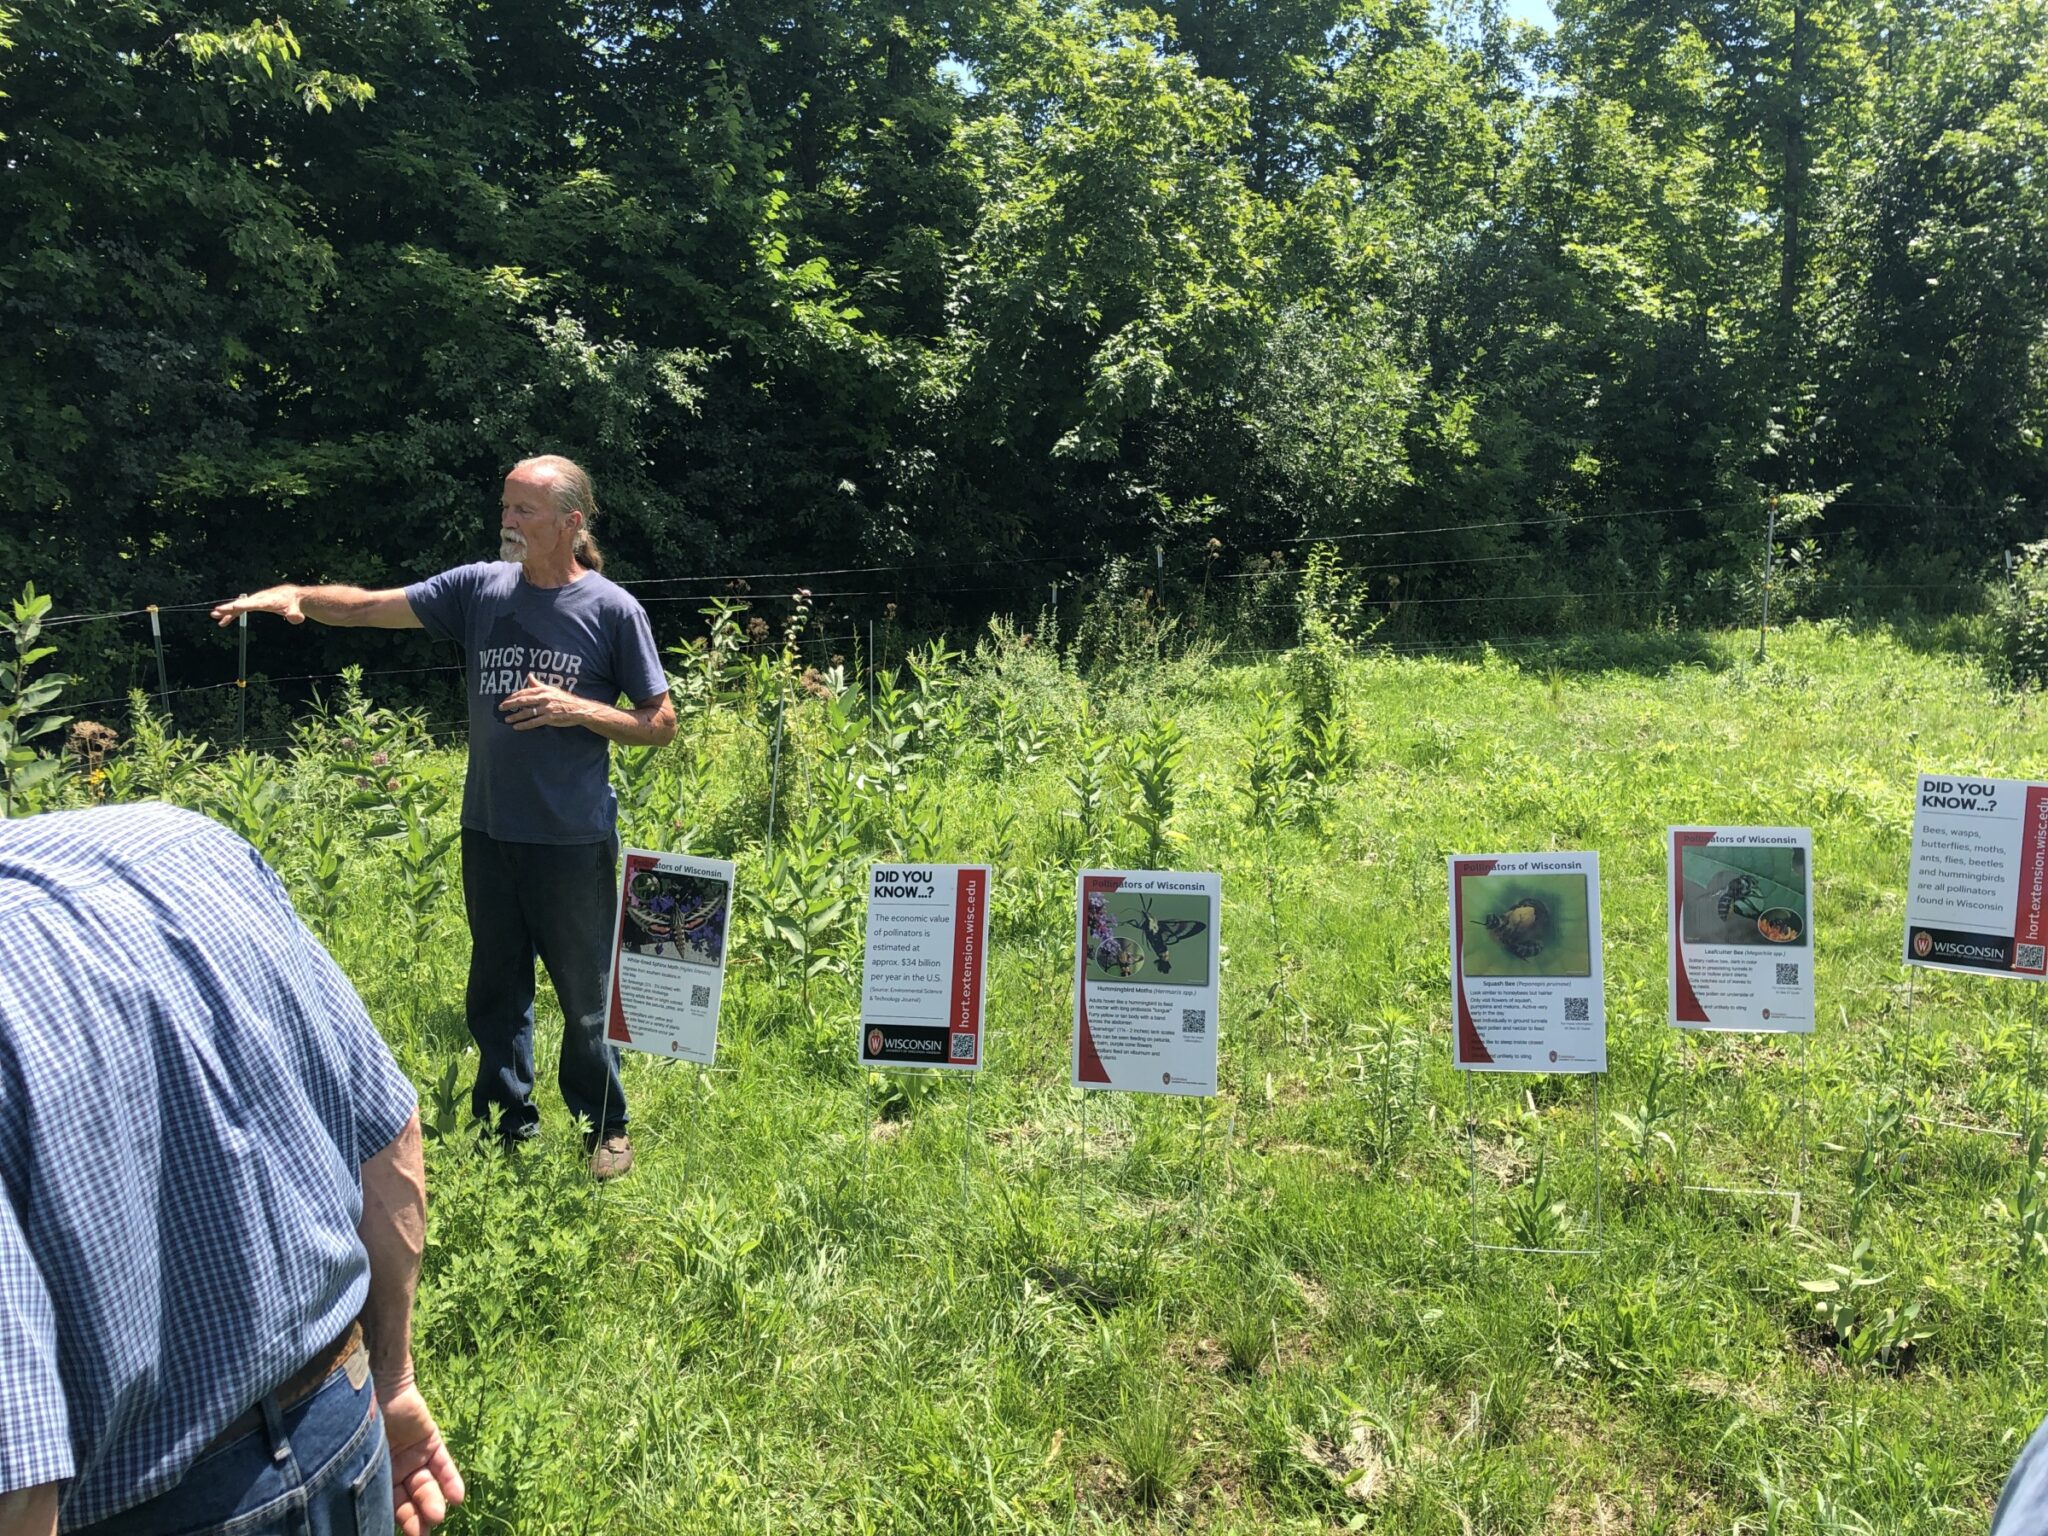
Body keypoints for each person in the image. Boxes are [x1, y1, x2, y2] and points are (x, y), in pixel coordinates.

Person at [0, 804, 464, 1536]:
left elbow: (19, 1491)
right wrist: (394, 1377)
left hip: (147, 1506)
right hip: (344, 1422)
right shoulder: (188, 842)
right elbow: (391, 1142)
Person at [212, 455, 676, 1179]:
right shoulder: (477, 590)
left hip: (571, 837)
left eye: (524, 511)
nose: (508, 522)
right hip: (488, 830)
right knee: (495, 991)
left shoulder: (611, 609)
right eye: (505, 507)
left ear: (570, 523)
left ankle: (604, 1127)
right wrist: (300, 595)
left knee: (585, 997)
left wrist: (575, 709)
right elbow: (369, 606)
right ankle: (504, 1125)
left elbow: (660, 721)